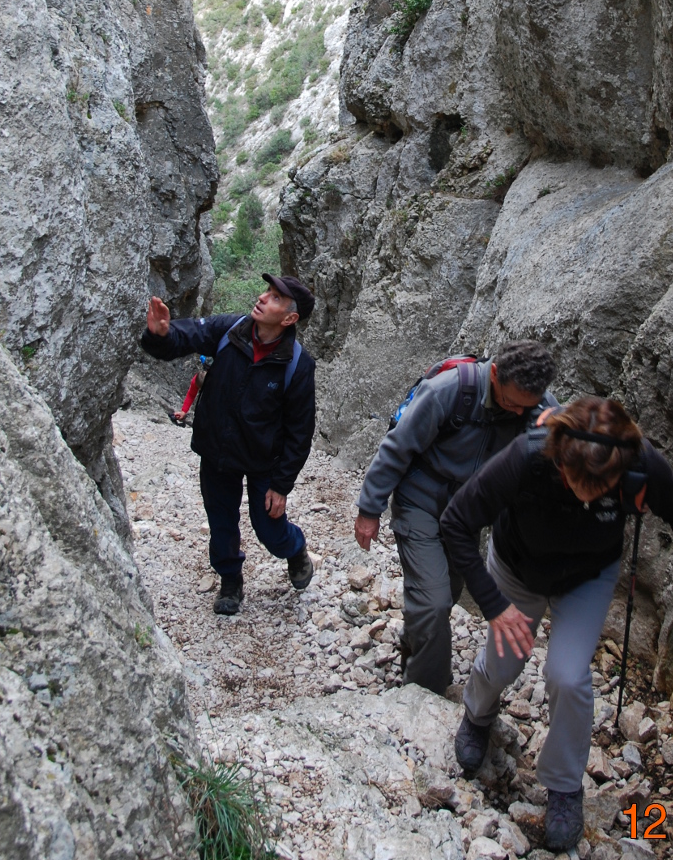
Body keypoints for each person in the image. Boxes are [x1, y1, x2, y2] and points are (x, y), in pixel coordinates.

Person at [440, 396, 673, 851]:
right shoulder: (527, 458)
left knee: (569, 675)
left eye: (602, 487)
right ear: (561, 456)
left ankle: (562, 787)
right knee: (504, 662)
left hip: (588, 577)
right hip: (518, 568)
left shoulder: (640, 465)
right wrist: (496, 607)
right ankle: (478, 714)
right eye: (578, 481)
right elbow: (456, 522)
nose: (588, 493)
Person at [354, 342, 557, 697]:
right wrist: (370, 508)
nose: (516, 412)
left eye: (524, 408)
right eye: (510, 403)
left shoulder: (537, 405)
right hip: (419, 498)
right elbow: (397, 446)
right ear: (494, 374)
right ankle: (423, 695)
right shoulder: (448, 390)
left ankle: (415, 642)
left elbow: (577, 433)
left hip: (468, 514)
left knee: (445, 593)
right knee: (433, 602)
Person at [141, 274, 316, 616]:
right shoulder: (230, 329)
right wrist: (161, 334)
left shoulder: (297, 364)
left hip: (264, 459)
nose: (264, 298)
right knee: (221, 521)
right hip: (218, 451)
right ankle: (230, 580)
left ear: (290, 318)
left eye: (276, 298)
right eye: (266, 290)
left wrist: (281, 486)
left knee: (269, 528)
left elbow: (300, 430)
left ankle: (294, 549)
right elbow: (187, 334)